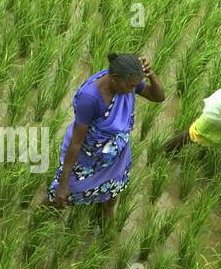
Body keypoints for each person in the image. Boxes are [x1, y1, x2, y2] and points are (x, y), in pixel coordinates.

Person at [47, 53, 166, 222]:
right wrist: (64, 184)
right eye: (131, 85)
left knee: (113, 191)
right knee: (61, 195)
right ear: (114, 78)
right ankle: (43, 213)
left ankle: (107, 212)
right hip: (88, 156)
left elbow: (158, 97)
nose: (134, 89)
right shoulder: (90, 99)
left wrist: (150, 74)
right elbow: (76, 141)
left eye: (136, 85)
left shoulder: (127, 82)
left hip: (116, 153)